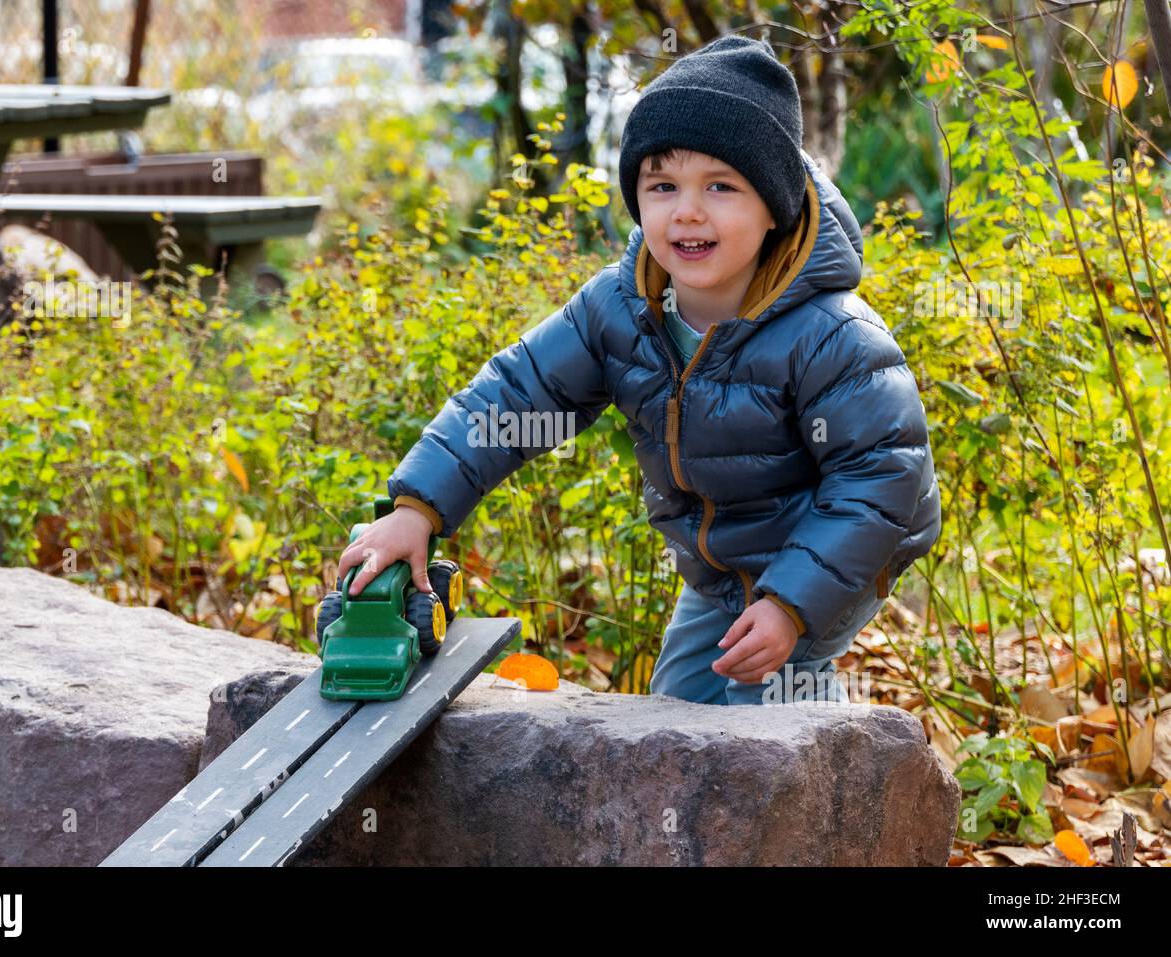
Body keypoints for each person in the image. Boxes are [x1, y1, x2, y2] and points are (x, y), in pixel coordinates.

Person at [335, 34, 942, 706]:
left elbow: (881, 476)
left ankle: (830, 773)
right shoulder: (619, 308)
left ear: (775, 208)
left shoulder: (829, 333)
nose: (687, 209)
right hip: (724, 562)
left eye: (721, 186)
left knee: (769, 704)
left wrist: (790, 604)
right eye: (663, 185)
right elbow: (517, 394)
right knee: (678, 704)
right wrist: (418, 507)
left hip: (839, 547)